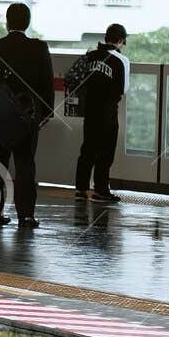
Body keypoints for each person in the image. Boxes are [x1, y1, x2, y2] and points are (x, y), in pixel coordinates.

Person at [0, 3, 54, 229]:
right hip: (27, 117)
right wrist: (44, 113)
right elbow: (46, 84)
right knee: (25, 164)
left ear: (7, 22)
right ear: (27, 23)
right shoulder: (39, 48)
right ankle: (26, 216)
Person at [72, 23, 129, 203]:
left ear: (106, 38)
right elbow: (123, 89)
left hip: (90, 110)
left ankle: (81, 189)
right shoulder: (121, 60)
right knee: (106, 152)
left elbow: (74, 80)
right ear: (120, 41)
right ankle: (101, 190)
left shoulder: (90, 56)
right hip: (108, 112)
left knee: (87, 149)